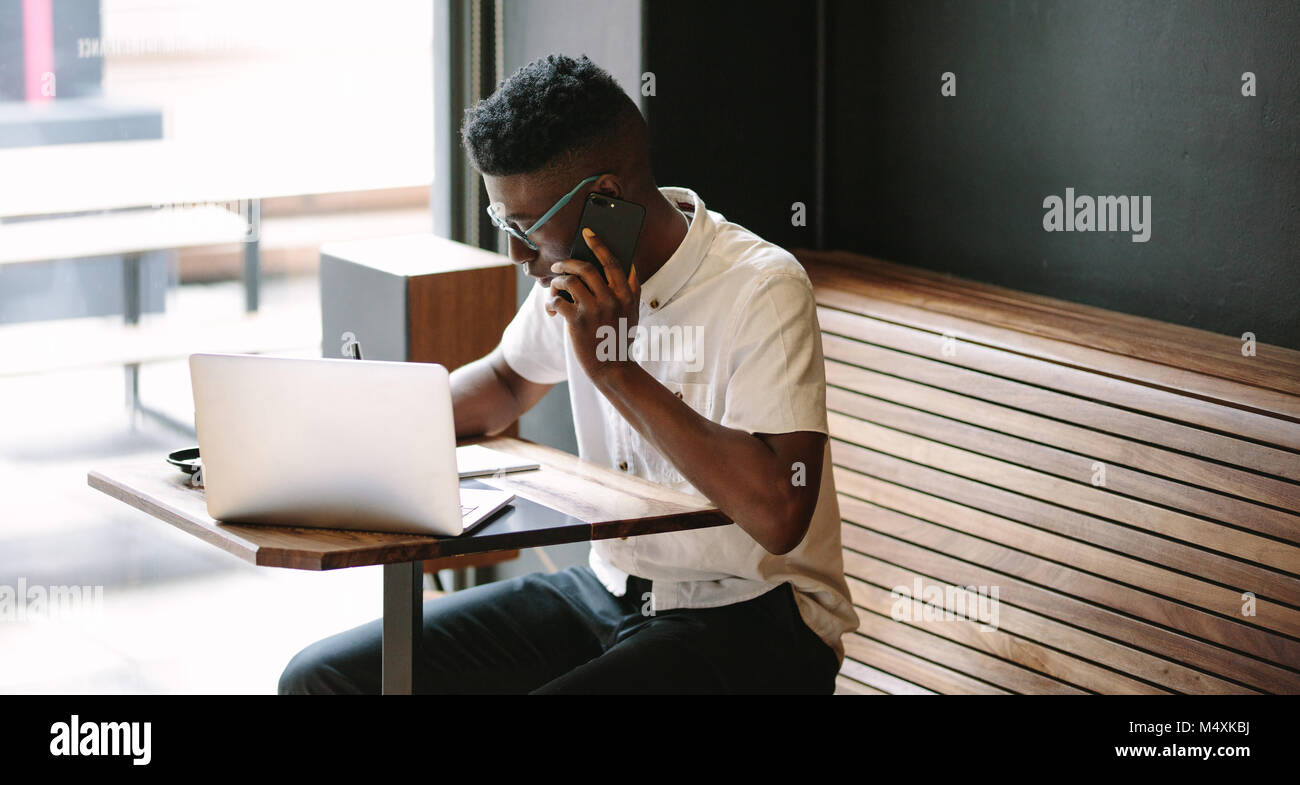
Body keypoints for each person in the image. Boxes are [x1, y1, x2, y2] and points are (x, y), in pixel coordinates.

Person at [279, 54, 857, 694]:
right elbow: (505, 382)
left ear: (605, 198)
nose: (519, 256)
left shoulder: (760, 287)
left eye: (525, 226)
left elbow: (779, 510)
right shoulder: (578, 271)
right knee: (323, 679)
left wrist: (614, 370)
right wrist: (356, 433)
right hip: (610, 588)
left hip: (753, 615)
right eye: (504, 222)